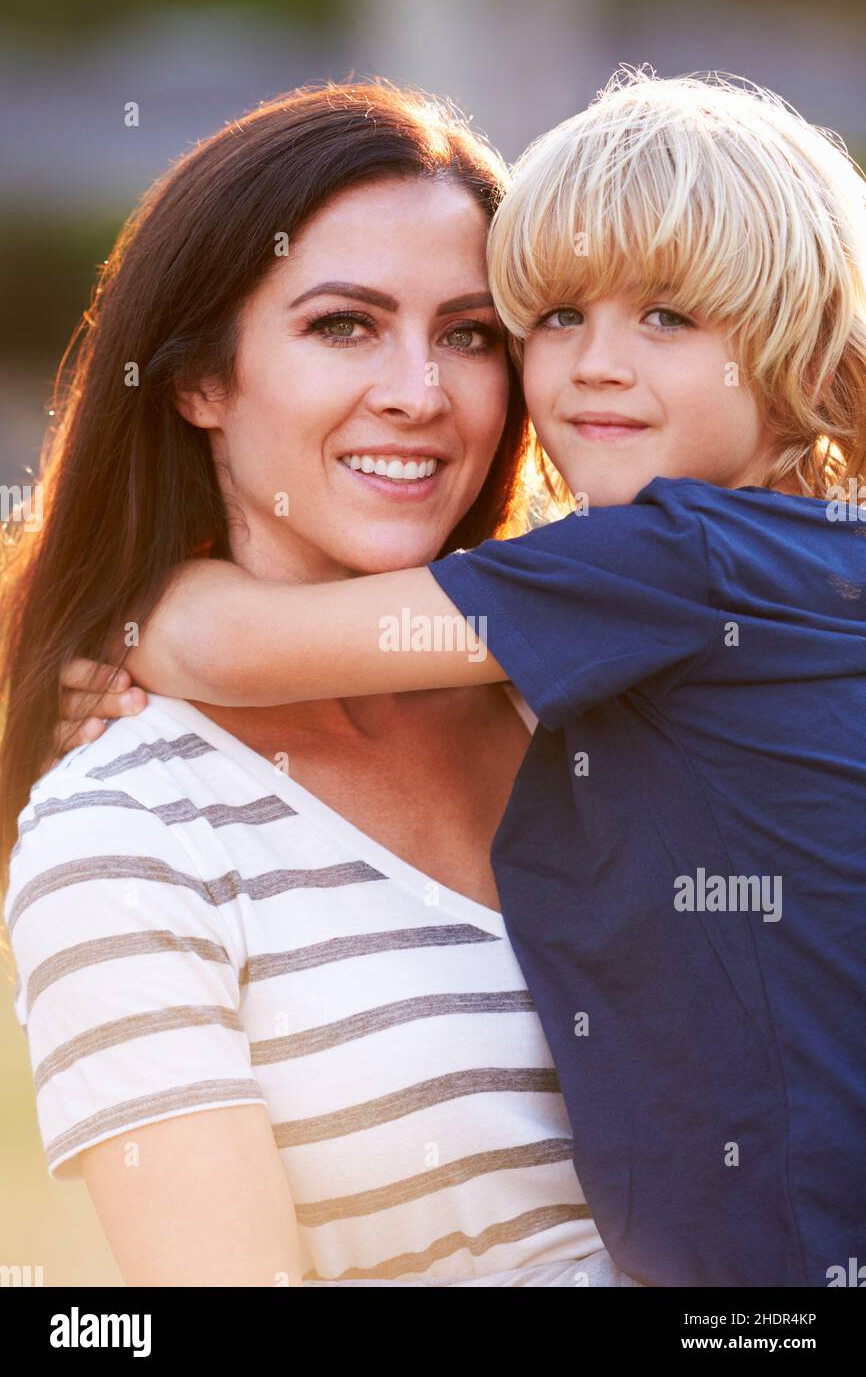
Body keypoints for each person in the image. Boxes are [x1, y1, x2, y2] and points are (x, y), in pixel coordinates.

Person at [105, 68, 866, 1288]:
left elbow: (217, 651)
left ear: (805, 350)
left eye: (667, 318)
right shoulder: (811, 560)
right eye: (553, 317)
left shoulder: (669, 559)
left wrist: (132, 608)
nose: (593, 366)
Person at [0, 80, 645, 1287]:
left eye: (467, 334)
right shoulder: (124, 829)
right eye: (343, 324)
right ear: (197, 382)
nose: (421, 390)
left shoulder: (605, 696)